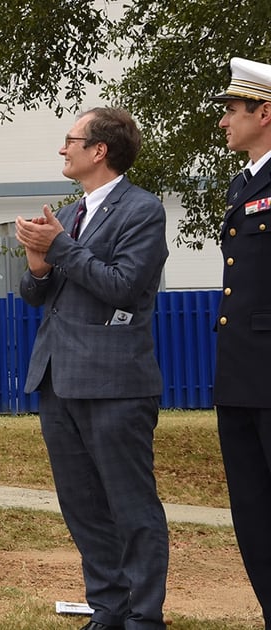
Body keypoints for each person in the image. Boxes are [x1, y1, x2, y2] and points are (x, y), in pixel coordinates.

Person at [15, 107, 169, 630]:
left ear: (98, 150)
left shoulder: (141, 210)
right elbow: (43, 295)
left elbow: (123, 284)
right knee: (81, 505)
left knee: (130, 504)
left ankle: (144, 616)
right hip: (58, 378)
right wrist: (38, 267)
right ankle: (109, 607)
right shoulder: (73, 213)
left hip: (115, 381)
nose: (63, 148)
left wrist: (58, 247)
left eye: (70, 139)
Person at [210, 56, 271, 627]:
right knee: (251, 510)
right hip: (241, 374)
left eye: (233, 110)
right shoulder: (243, 183)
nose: (225, 121)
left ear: (265, 112)